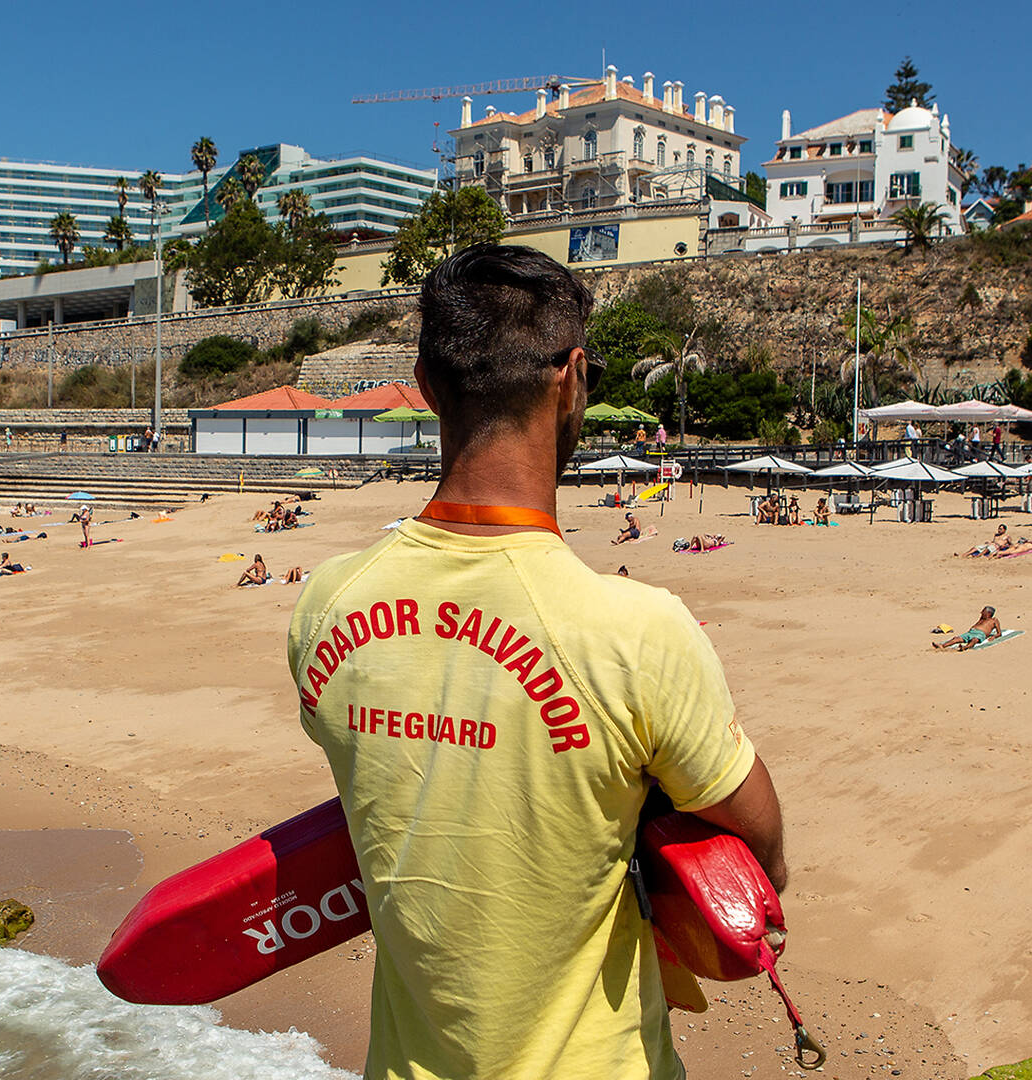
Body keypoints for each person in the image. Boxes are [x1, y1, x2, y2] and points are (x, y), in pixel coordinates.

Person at [288, 245, 784, 1080]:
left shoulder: (328, 606)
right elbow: (756, 851)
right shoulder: (636, 631)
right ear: (574, 376)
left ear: (425, 380)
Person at [934, 605, 1002, 651]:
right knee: (956, 639)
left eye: (983, 611)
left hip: (980, 634)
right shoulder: (982, 618)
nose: (981, 612)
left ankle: (965, 647)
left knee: (974, 640)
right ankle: (942, 646)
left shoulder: (994, 620)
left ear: (989, 613)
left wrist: (994, 637)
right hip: (971, 632)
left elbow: (999, 633)